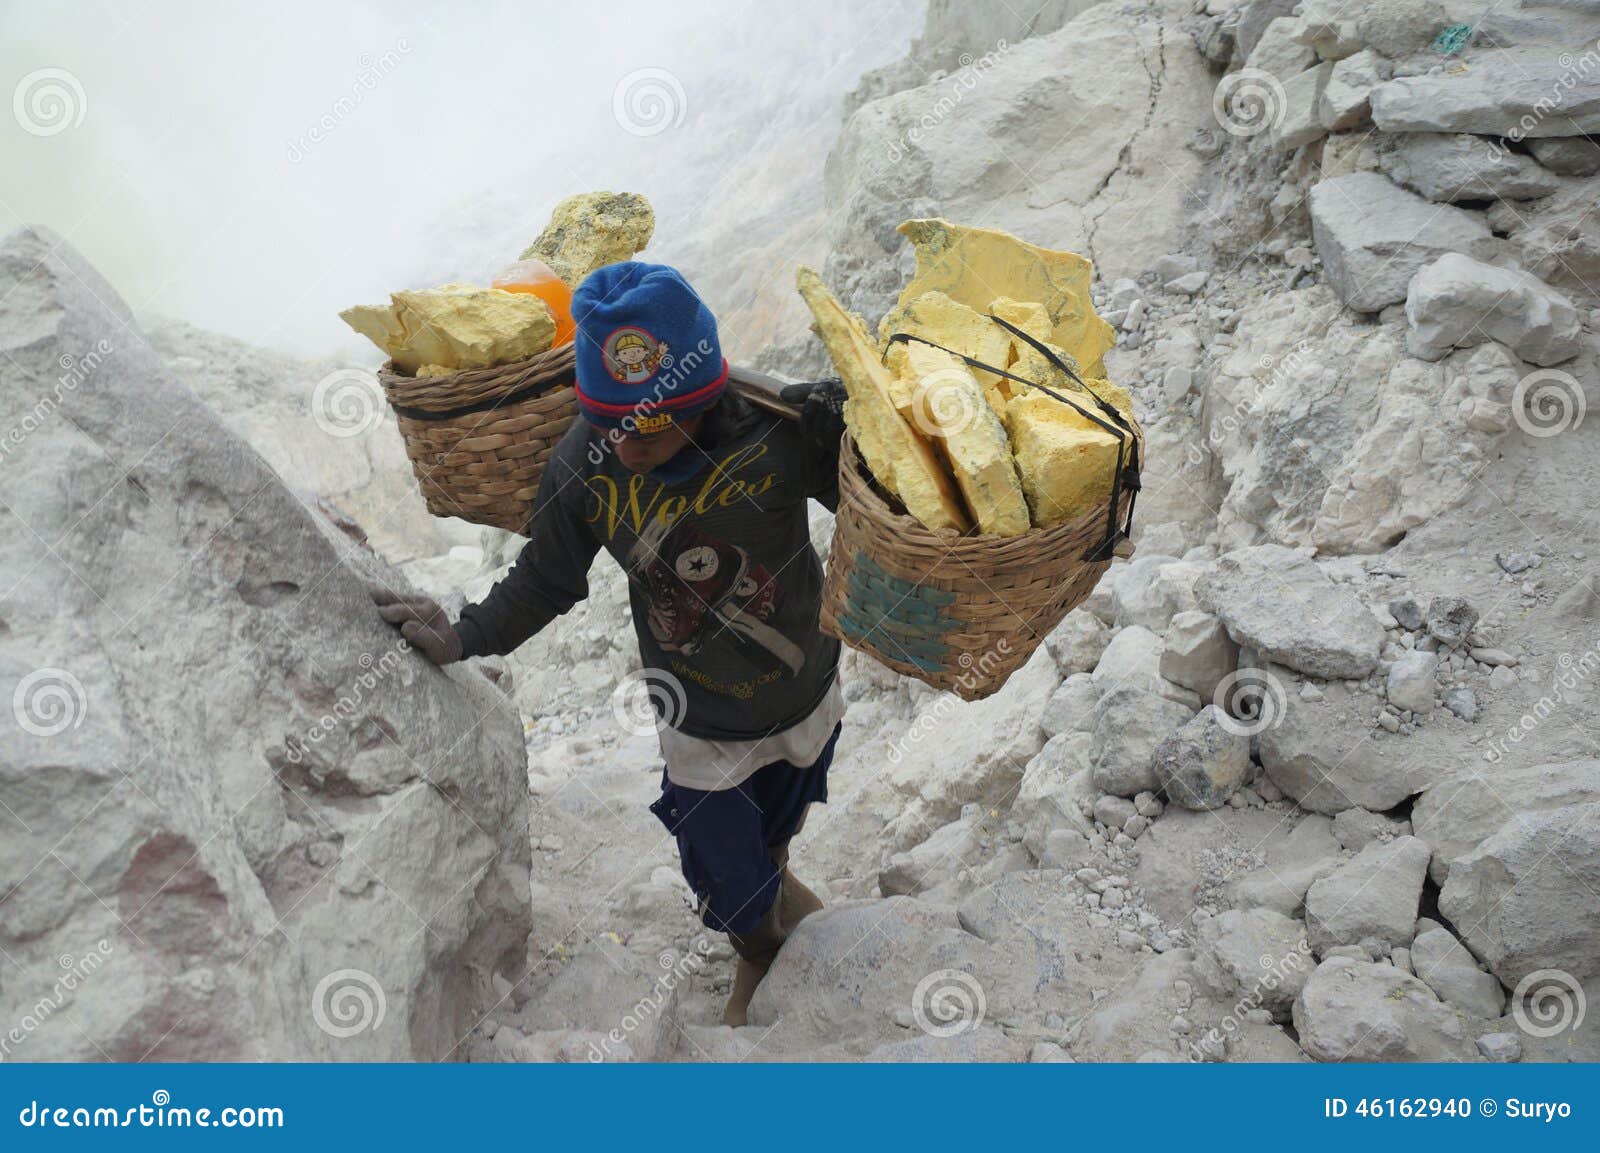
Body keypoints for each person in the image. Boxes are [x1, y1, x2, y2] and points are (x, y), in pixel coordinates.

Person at [372, 261, 848, 1025]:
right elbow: (545, 578)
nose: (626, 446)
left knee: (776, 824)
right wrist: (462, 633)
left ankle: (775, 875)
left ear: (698, 401)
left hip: (803, 686)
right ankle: (757, 943)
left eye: (648, 428)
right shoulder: (587, 462)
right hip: (699, 716)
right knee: (719, 865)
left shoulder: (777, 432)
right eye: (609, 422)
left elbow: (883, 510)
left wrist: (851, 437)